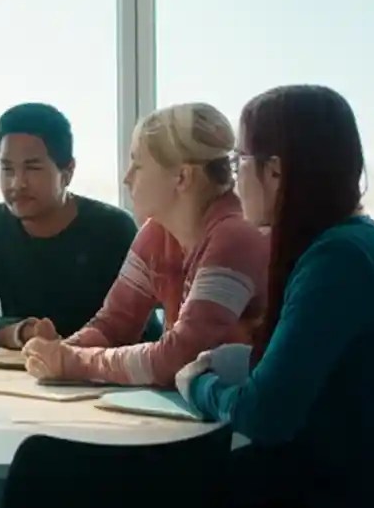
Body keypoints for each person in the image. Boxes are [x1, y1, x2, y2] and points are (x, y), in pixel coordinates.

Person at [175, 86, 374, 508]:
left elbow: (267, 416)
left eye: (238, 160)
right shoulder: (358, 243)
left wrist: (198, 384)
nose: (233, 179)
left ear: (275, 171)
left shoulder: (338, 259)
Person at [22, 103, 267, 387]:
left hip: (236, 423)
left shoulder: (234, 237)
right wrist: (58, 352)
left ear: (182, 177)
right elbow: (114, 324)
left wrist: (71, 362)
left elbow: (179, 358)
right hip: (190, 411)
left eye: (137, 165)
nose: (127, 178)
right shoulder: (157, 232)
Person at [0, 103, 161, 349]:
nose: (17, 183)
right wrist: (20, 334)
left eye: (32, 168)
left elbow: (144, 332)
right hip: (27, 375)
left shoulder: (112, 228)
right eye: (7, 169)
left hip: (106, 375)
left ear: (68, 172)